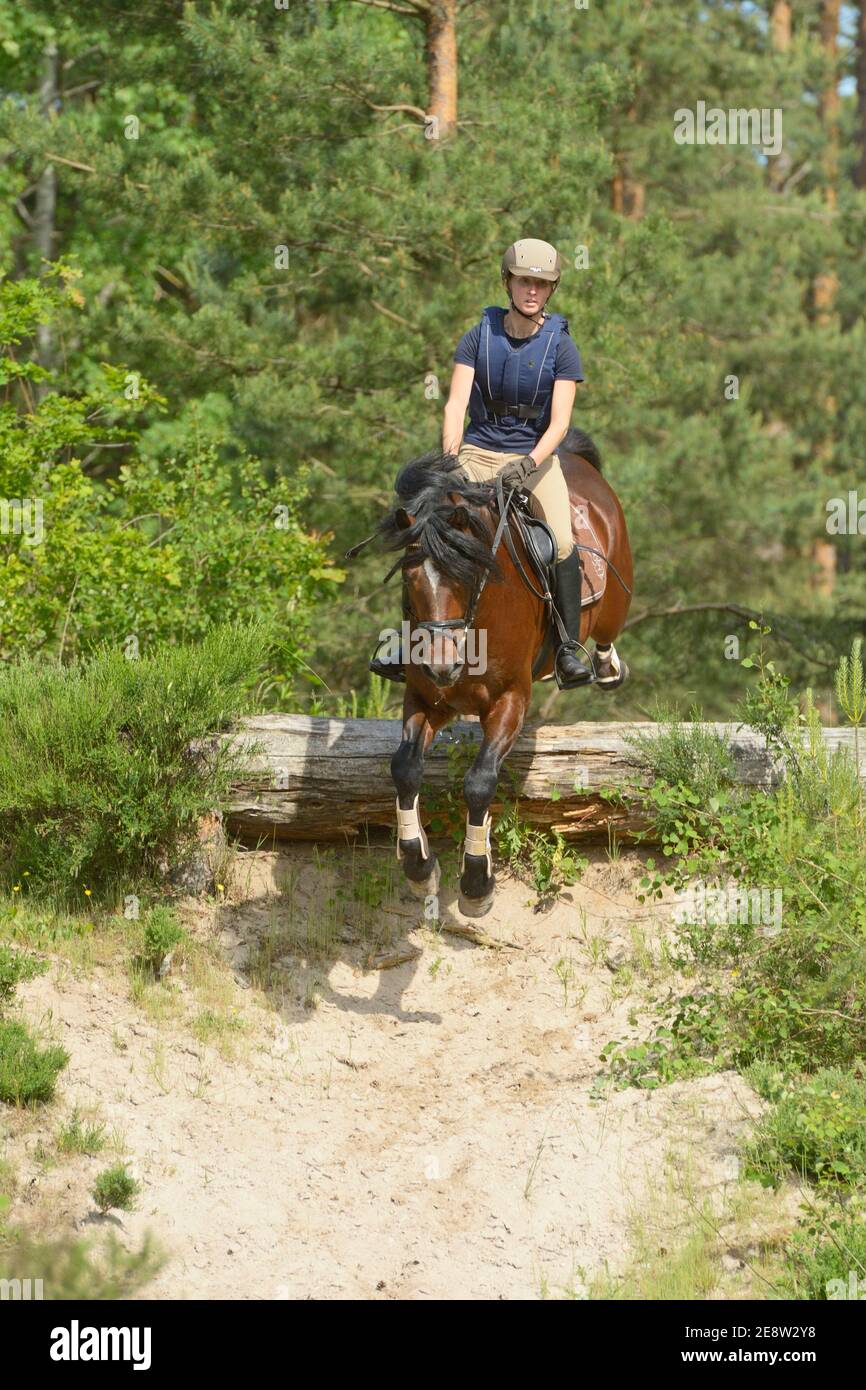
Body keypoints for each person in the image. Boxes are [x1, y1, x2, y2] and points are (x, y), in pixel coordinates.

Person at [371, 236, 594, 687]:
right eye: (523, 281)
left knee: (563, 543)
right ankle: (406, 644)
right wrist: (450, 460)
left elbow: (560, 422)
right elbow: (455, 405)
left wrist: (529, 462)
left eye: (541, 283)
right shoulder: (478, 337)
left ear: (551, 290)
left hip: (535, 458)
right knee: (427, 529)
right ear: (507, 282)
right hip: (475, 452)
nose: (531, 290)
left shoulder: (562, 348)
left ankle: (569, 648)